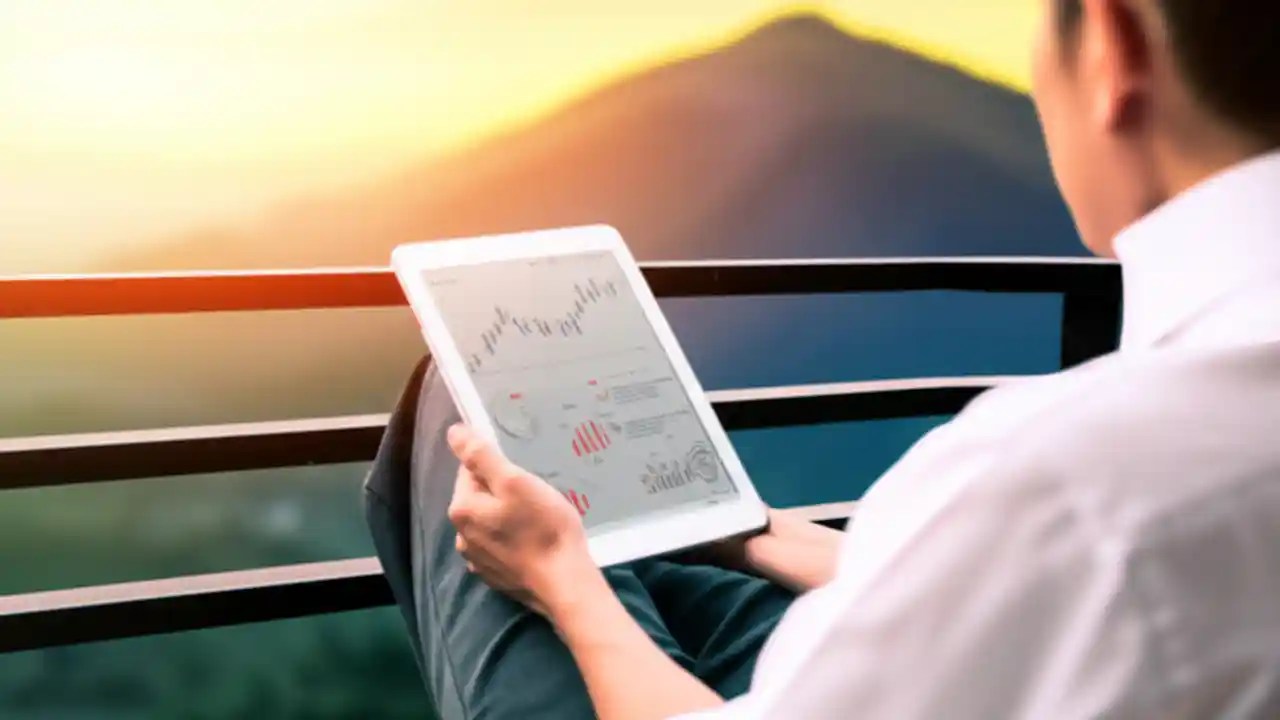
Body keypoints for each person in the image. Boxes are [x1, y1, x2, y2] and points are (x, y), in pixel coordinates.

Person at [364, 0, 1280, 717]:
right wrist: (755, 533)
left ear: (1111, 46)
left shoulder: (1070, 475)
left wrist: (561, 580)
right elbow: (1032, 597)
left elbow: (1067, 561)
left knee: (459, 396)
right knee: (672, 559)